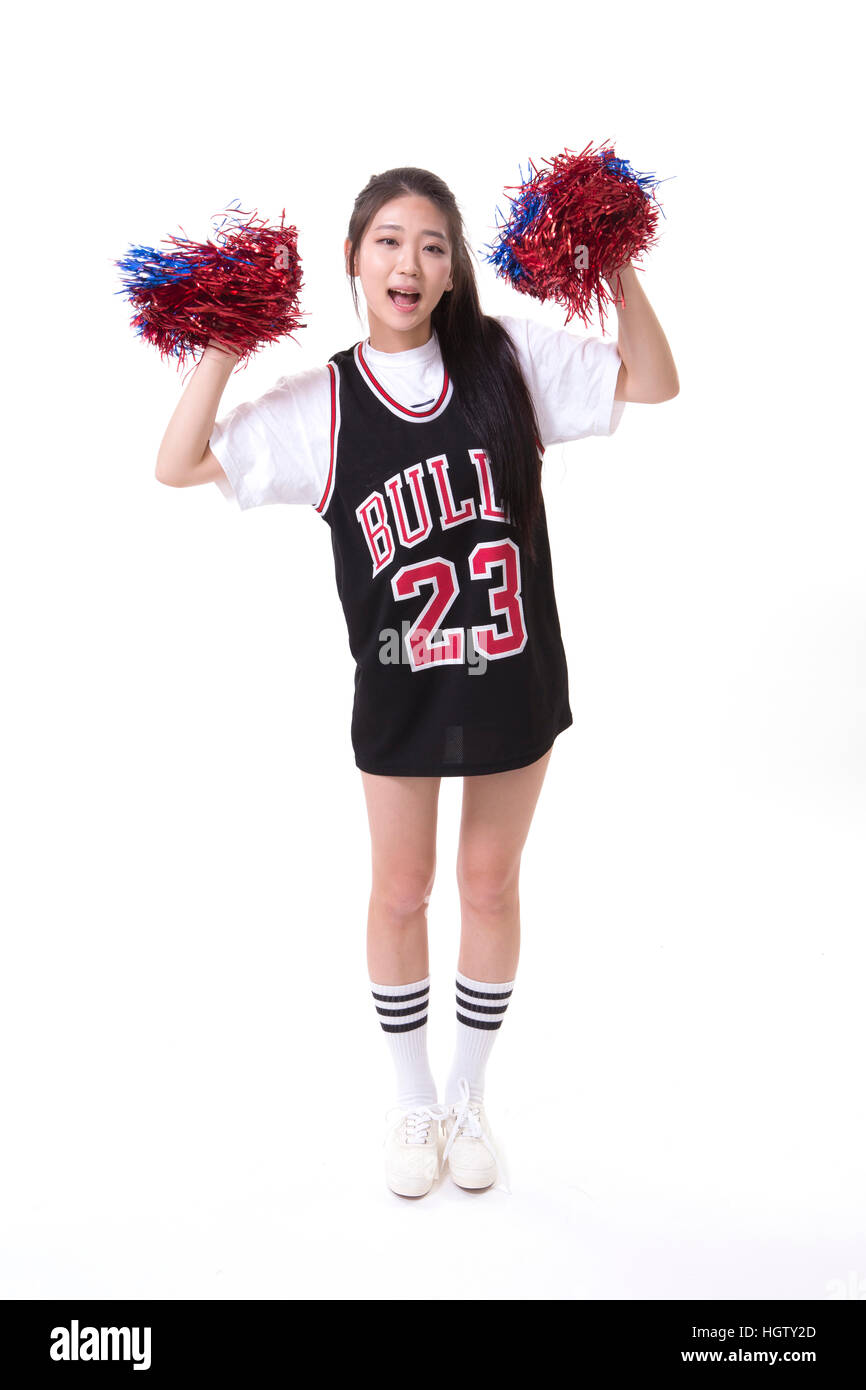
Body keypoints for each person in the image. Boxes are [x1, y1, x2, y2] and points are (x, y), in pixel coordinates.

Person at [155, 166, 679, 1199]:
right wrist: (220, 336)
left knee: (488, 884)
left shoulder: (504, 358)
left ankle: (467, 1097)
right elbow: (178, 464)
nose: (409, 262)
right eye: (388, 240)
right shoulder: (325, 405)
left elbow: (651, 382)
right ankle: (409, 1097)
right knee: (401, 891)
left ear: (450, 272)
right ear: (354, 258)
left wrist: (615, 268)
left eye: (432, 245)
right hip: (400, 686)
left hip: (513, 678)